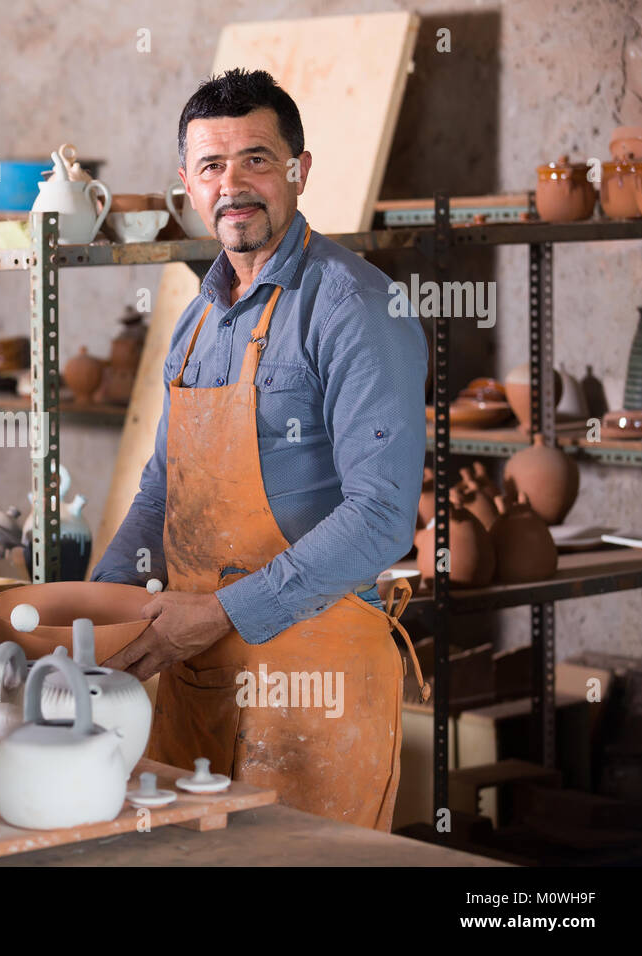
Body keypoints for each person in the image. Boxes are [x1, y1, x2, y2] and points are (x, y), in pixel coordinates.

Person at [91, 70, 429, 830]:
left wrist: (220, 612)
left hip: (316, 691)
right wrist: (97, 611)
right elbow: (160, 495)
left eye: (257, 159)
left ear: (299, 171)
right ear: (186, 183)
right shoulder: (199, 320)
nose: (233, 185)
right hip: (200, 680)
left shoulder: (354, 307)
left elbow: (380, 519)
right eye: (211, 166)